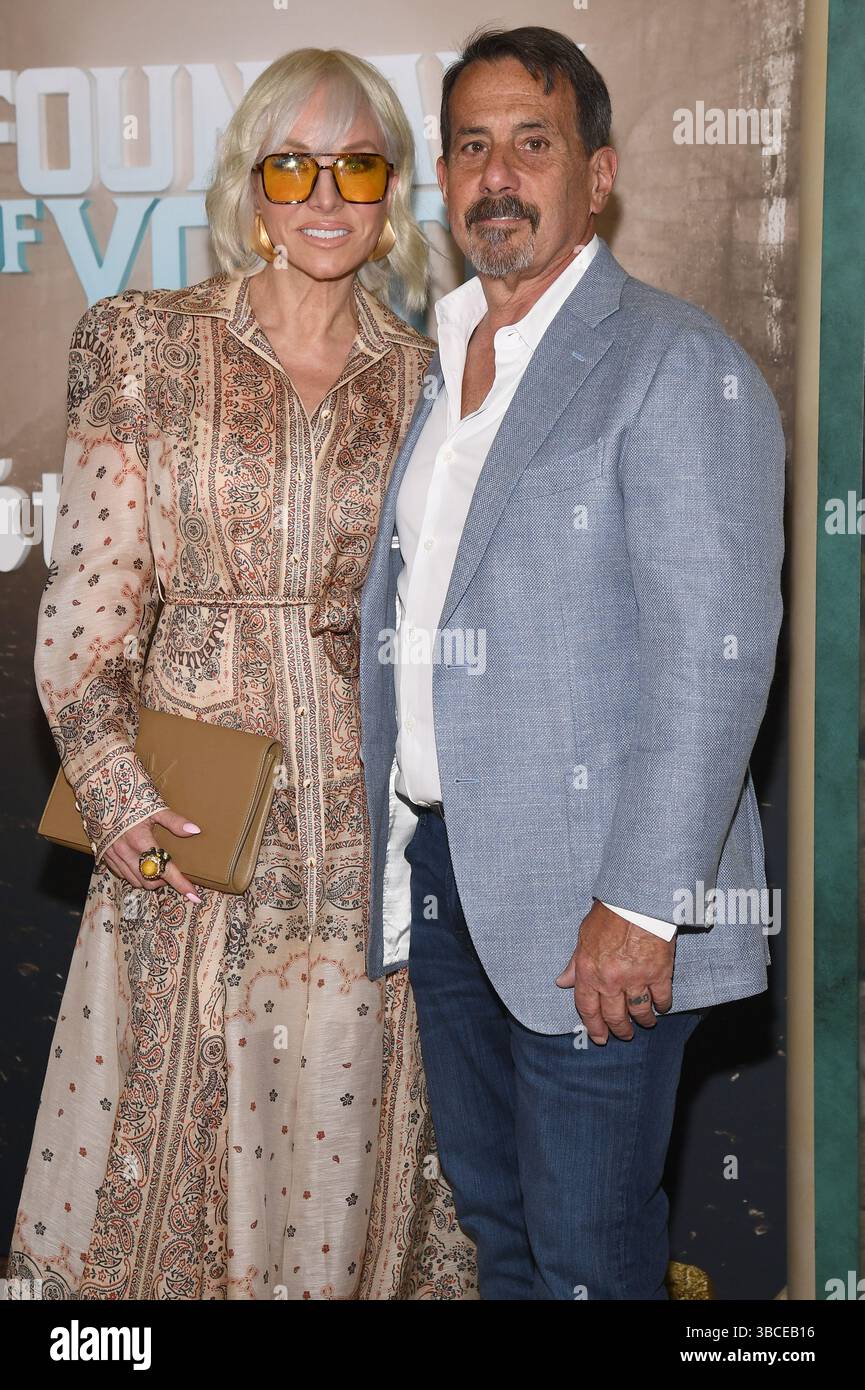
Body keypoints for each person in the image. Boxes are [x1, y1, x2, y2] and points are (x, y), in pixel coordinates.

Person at [8, 47, 475, 1301]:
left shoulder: (433, 378)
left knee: (339, 1147)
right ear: (249, 185)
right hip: (192, 825)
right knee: (164, 1145)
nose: (326, 193)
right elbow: (92, 605)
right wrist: (112, 793)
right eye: (293, 164)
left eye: (358, 163)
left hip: (363, 838)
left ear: (391, 193)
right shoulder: (144, 345)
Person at [359, 25, 785, 1300]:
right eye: (473, 147)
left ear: (596, 173)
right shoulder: (445, 370)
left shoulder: (669, 360)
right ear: (444, 178)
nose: (500, 175)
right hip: (452, 874)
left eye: (531, 144)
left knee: (590, 1259)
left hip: (598, 909)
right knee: (502, 1233)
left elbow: (717, 651)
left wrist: (643, 904)